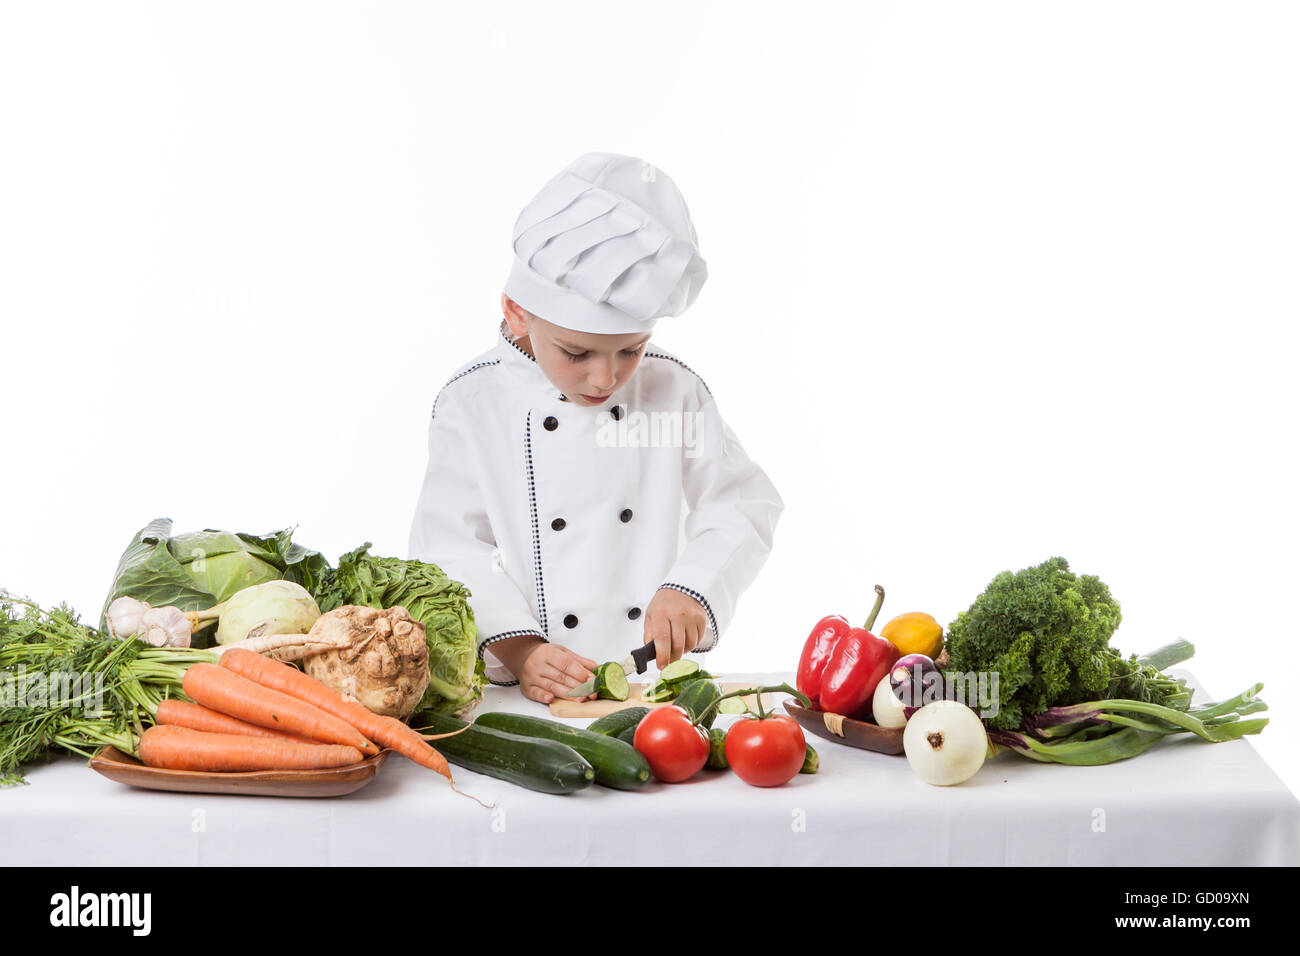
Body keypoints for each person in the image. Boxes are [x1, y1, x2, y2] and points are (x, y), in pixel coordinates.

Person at [409, 152, 783, 704]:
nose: (606, 377)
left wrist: (693, 590)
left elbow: (743, 504)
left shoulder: (675, 392)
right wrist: (523, 651)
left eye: (631, 350)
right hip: (521, 695)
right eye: (577, 352)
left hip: (655, 689)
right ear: (517, 312)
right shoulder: (473, 401)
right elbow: (448, 548)